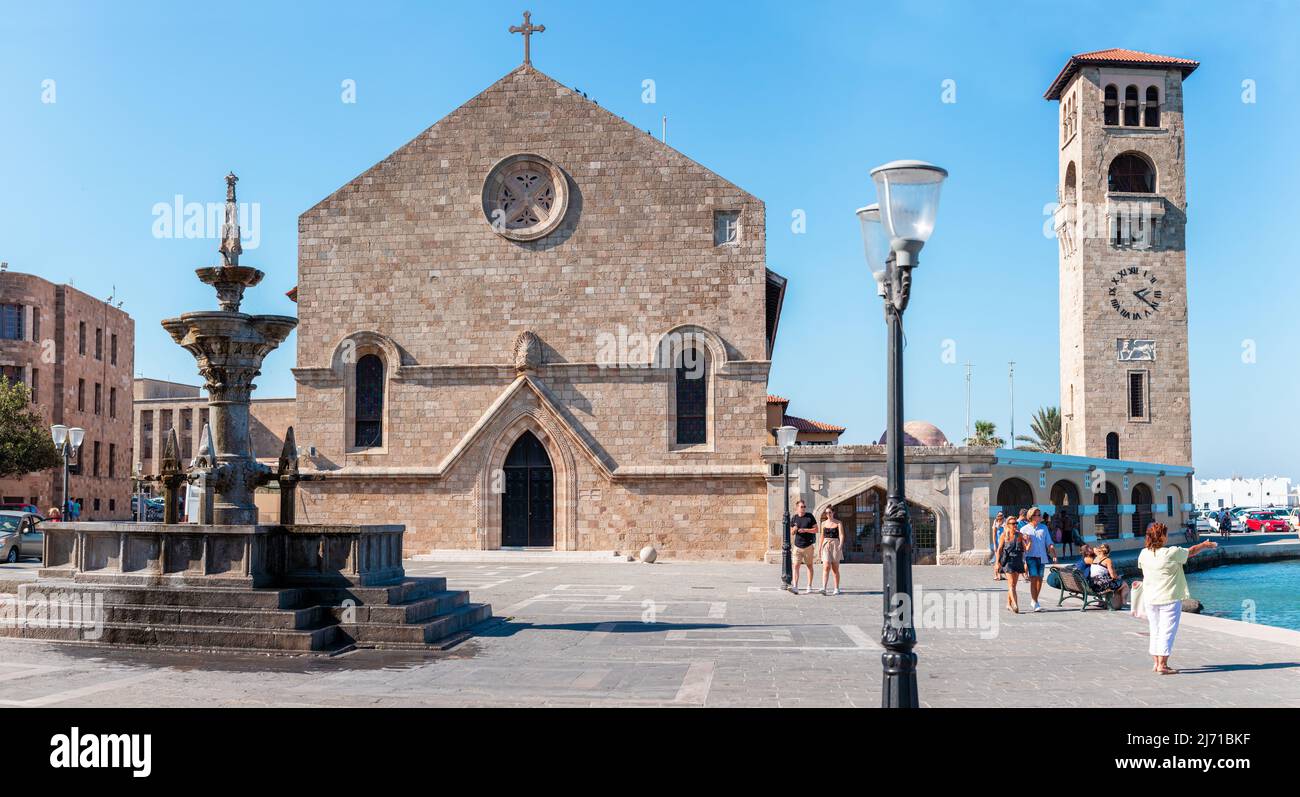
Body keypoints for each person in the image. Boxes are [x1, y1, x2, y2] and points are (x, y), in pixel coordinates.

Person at [1137, 522, 1217, 674]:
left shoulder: (1143, 553)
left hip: (1150, 598)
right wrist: (1205, 545)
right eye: (1165, 534)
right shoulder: (1171, 552)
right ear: (1162, 537)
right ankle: (1163, 665)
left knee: (1155, 630)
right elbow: (1191, 551)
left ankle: (1156, 663)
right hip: (1169, 597)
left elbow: (1144, 572)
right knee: (1167, 631)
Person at [1021, 508, 1057, 612]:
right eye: (1038, 515)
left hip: (1042, 557)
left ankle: (1034, 600)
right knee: (1034, 578)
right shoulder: (1024, 529)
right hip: (1030, 557)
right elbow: (1022, 547)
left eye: (1040, 514)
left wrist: (1053, 554)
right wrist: (1024, 561)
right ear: (1031, 516)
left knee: (1040, 579)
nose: (1040, 516)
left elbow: (1049, 542)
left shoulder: (1044, 528)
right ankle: (1035, 601)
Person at [994, 517, 1027, 613]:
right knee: (1011, 584)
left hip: (1018, 560)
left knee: (1013, 585)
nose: (1015, 525)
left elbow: (1025, 549)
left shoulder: (1020, 535)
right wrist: (997, 563)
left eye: (1016, 523)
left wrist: (1028, 541)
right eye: (1013, 523)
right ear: (1008, 525)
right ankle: (1015, 605)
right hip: (1008, 562)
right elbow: (999, 550)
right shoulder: (1004, 536)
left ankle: (1008, 604)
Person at [789, 500, 818, 594]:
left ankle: (809, 586)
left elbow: (816, 530)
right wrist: (794, 529)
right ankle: (795, 587)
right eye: (801, 506)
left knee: (809, 566)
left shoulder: (810, 517)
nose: (803, 508)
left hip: (808, 546)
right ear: (797, 508)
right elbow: (792, 533)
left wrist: (805, 530)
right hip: (797, 546)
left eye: (804, 506)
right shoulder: (794, 518)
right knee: (795, 566)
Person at [818, 507, 843, 595]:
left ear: (833, 513)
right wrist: (820, 547)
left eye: (829, 512)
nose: (828, 514)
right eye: (826, 513)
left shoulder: (838, 523)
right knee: (826, 566)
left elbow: (841, 534)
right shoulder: (823, 523)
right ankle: (824, 587)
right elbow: (821, 536)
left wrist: (840, 544)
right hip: (826, 543)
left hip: (835, 543)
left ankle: (836, 588)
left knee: (835, 568)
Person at [990, 511, 1006, 581]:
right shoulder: (995, 522)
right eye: (999, 516)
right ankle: (996, 575)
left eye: (1001, 516)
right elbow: (993, 535)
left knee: (1002, 559)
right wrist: (994, 545)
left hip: (1004, 543)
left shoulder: (1005, 522)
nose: (1000, 517)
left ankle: (1000, 574)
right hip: (998, 543)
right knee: (997, 559)